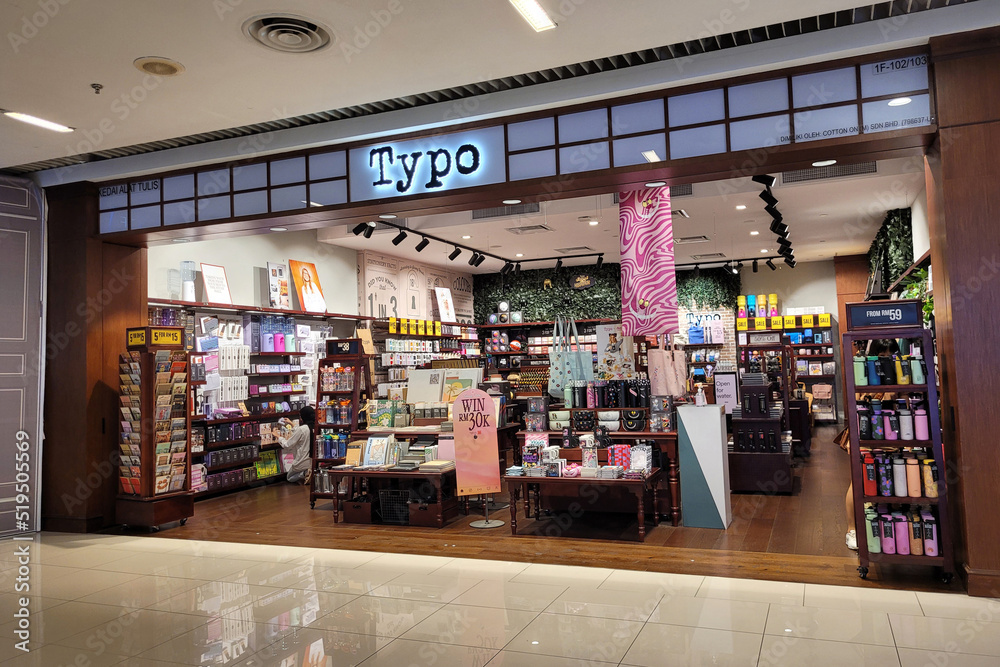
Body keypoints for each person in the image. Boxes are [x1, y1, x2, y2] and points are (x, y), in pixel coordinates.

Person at [273, 406, 315, 485]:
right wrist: (292, 423)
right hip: (314, 462)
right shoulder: (316, 427)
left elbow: (287, 445)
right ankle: (310, 472)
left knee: (289, 478)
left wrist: (278, 437)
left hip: (302, 462)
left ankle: (304, 473)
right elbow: (303, 432)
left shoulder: (302, 429)